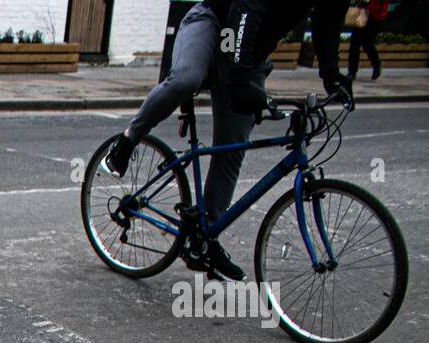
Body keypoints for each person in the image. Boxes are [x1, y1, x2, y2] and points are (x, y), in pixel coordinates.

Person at [103, 1, 350, 280]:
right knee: (185, 80)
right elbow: (245, 9)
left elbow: (328, 23)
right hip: (214, 26)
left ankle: (205, 238)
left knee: (232, 150)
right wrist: (239, 80)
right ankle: (128, 138)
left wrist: (332, 77)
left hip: (250, 57)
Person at [348, 1, 389, 81]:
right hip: (362, 12)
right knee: (354, 43)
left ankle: (376, 64)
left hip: (375, 16)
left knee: (367, 43)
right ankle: (352, 72)